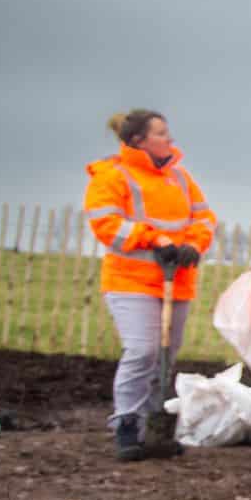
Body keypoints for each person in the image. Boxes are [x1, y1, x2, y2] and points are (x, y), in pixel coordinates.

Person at [82, 109, 217, 460]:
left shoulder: (180, 177)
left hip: (176, 279)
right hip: (131, 281)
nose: (169, 139)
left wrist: (193, 245)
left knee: (165, 356)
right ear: (139, 140)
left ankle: (153, 427)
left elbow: (204, 218)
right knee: (142, 350)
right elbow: (106, 224)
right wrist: (153, 239)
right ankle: (127, 423)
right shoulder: (113, 176)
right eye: (160, 133)